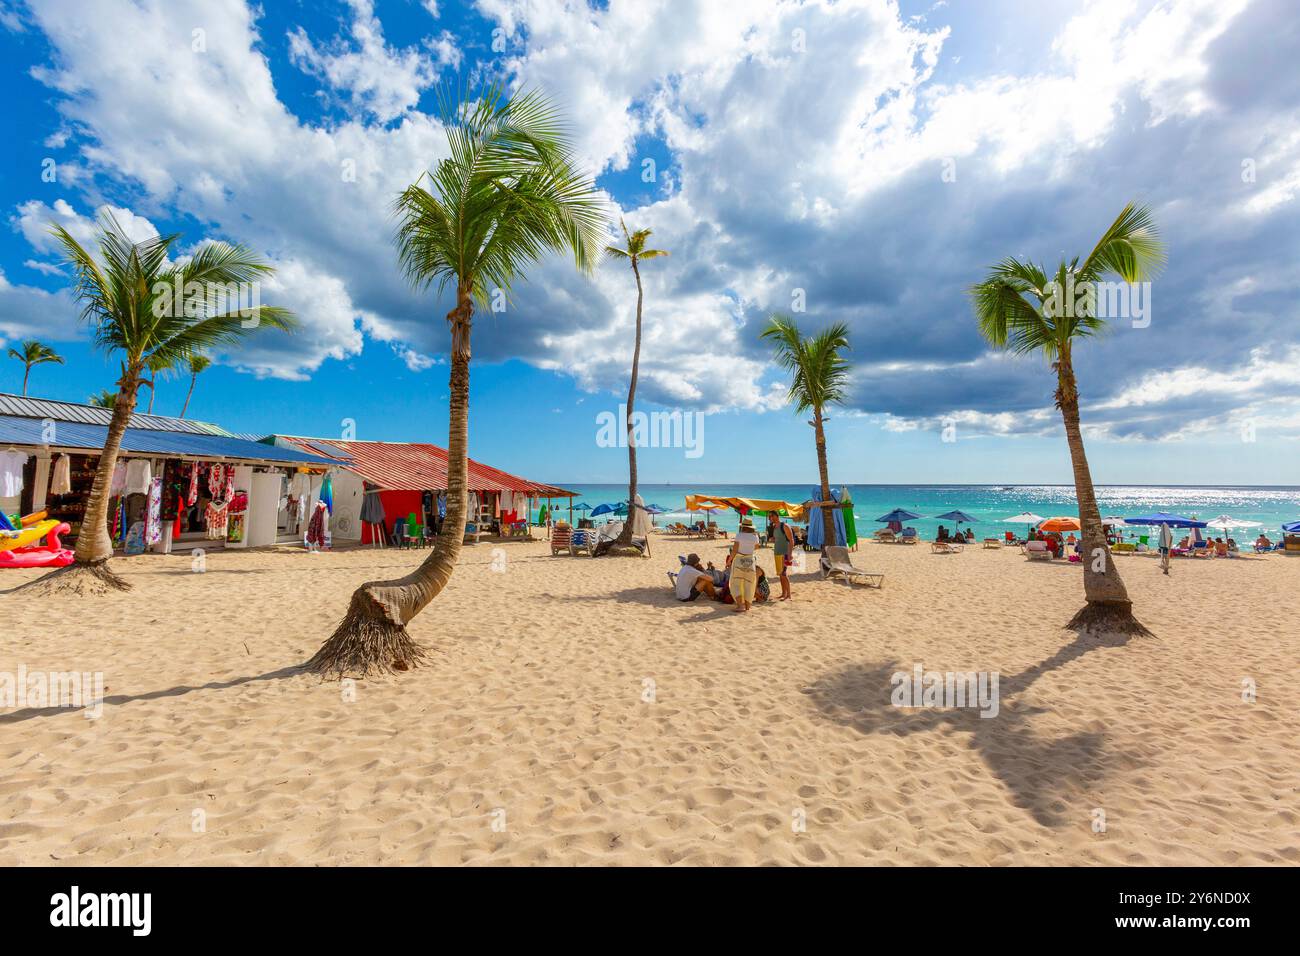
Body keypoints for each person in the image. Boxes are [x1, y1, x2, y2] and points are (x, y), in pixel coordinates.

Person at [728, 518, 760, 612]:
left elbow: (734, 550)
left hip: (739, 561)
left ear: (743, 527)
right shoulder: (755, 536)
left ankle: (740, 606)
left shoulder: (739, 535)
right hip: (750, 561)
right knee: (749, 584)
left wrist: (729, 561)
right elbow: (757, 547)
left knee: (735, 583)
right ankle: (747, 606)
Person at [770, 511, 795, 601]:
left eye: (772, 516)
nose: (770, 518)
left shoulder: (784, 526)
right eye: (770, 516)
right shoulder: (774, 527)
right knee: (780, 574)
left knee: (784, 574)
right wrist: (773, 539)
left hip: (784, 553)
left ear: (777, 516)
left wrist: (790, 554)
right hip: (777, 552)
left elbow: (791, 540)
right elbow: (777, 539)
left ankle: (788, 595)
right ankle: (783, 593)